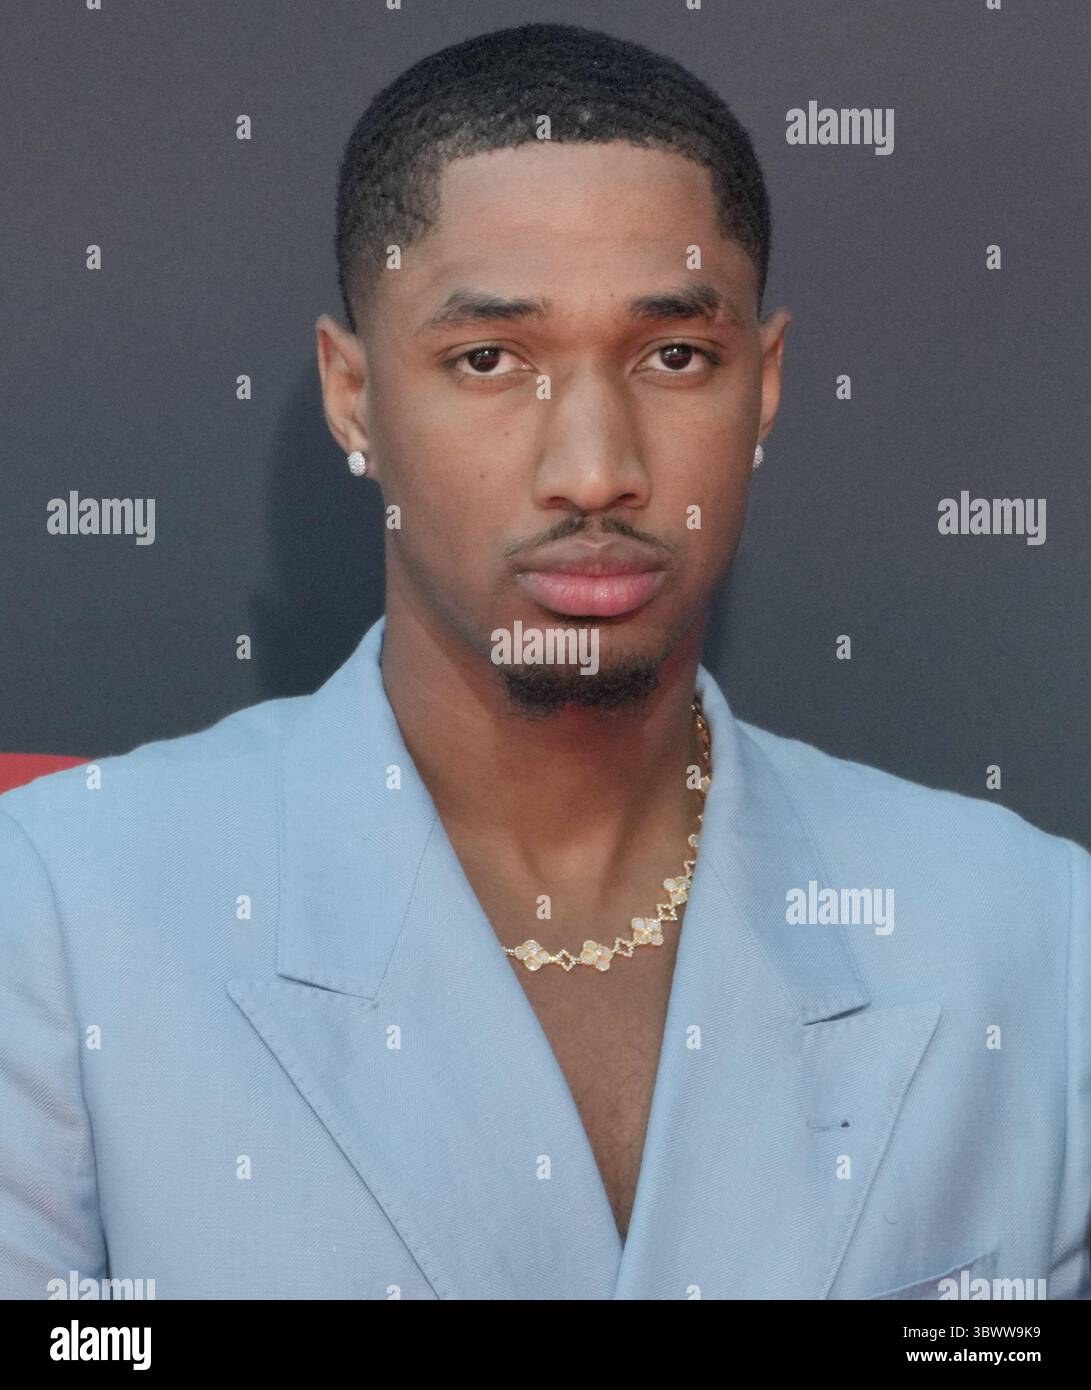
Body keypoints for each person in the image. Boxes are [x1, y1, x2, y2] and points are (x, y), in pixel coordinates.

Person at [1, 22, 1087, 1301]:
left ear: (767, 385)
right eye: (488, 360)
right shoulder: (61, 912)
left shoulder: (1025, 931)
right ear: (353, 397)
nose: (592, 469)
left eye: (673, 355)